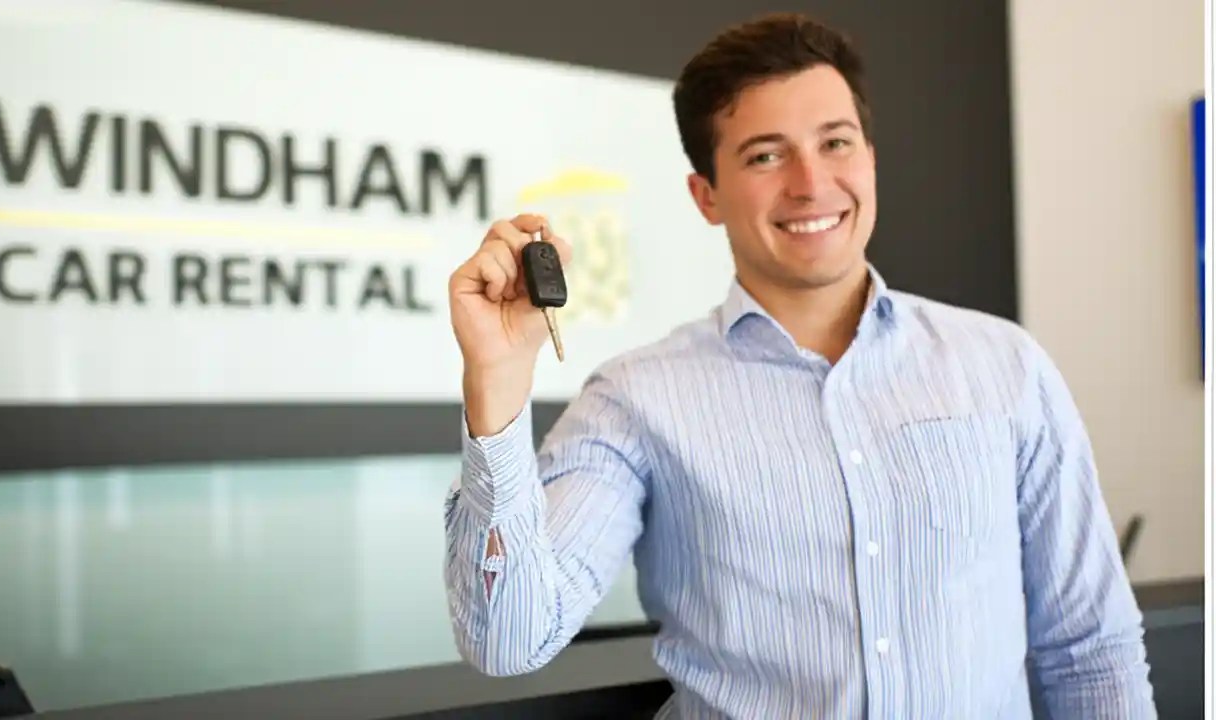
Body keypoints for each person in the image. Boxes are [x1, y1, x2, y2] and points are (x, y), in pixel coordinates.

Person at [442, 12, 1155, 719]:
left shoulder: (1006, 369)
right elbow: (509, 639)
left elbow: (1090, 652)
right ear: (707, 196)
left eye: (836, 143)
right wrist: (498, 380)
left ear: (870, 159)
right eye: (764, 155)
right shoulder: (637, 400)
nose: (811, 183)